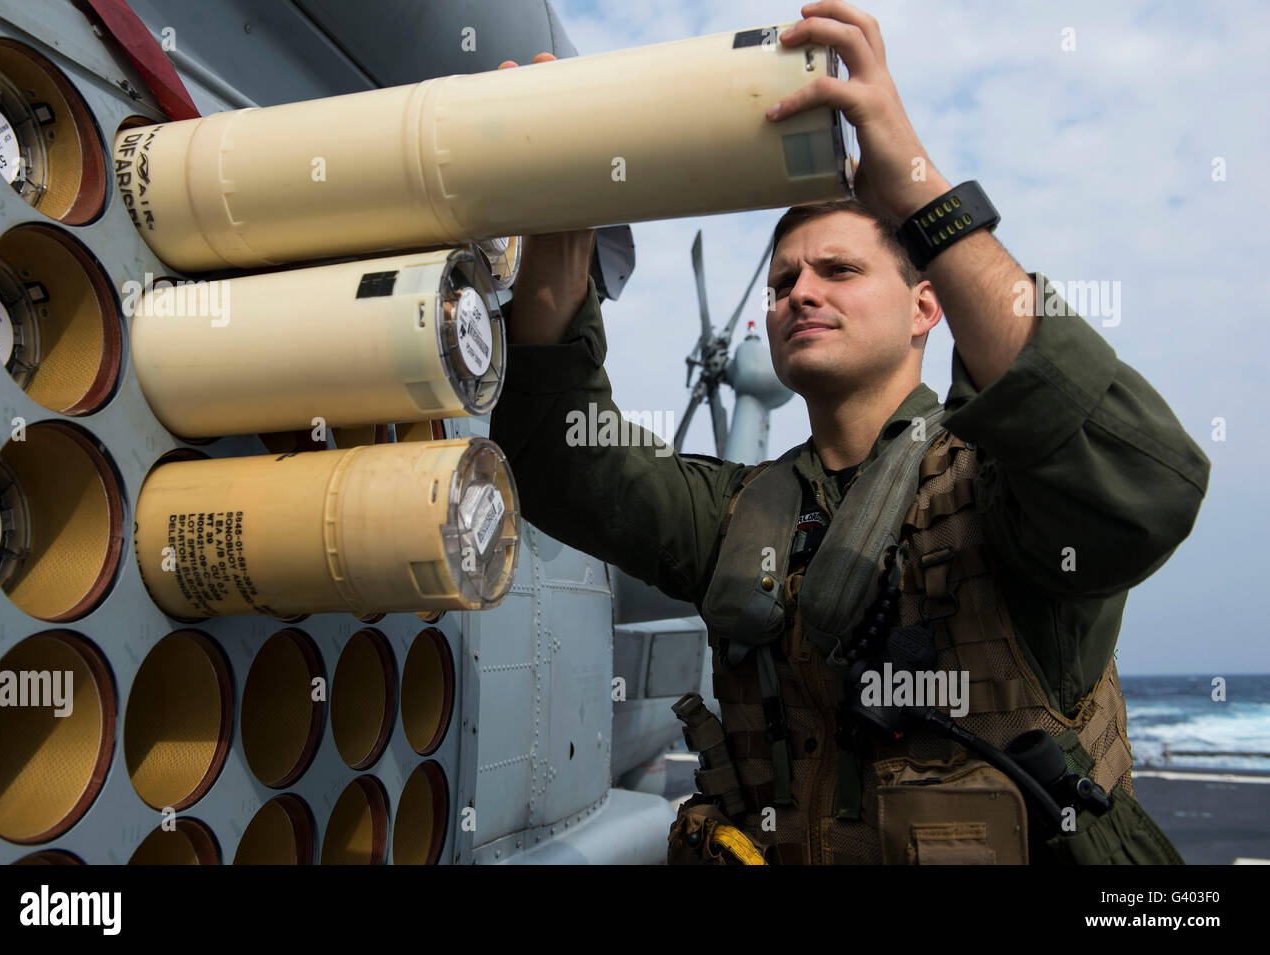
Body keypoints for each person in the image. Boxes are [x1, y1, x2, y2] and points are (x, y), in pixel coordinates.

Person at [491, 1, 1209, 864]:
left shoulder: (1004, 493)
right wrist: (555, 199)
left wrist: (916, 189)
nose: (798, 290)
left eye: (838, 269)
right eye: (785, 277)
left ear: (925, 305)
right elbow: (559, 456)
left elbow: (1144, 481)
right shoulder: (737, 514)